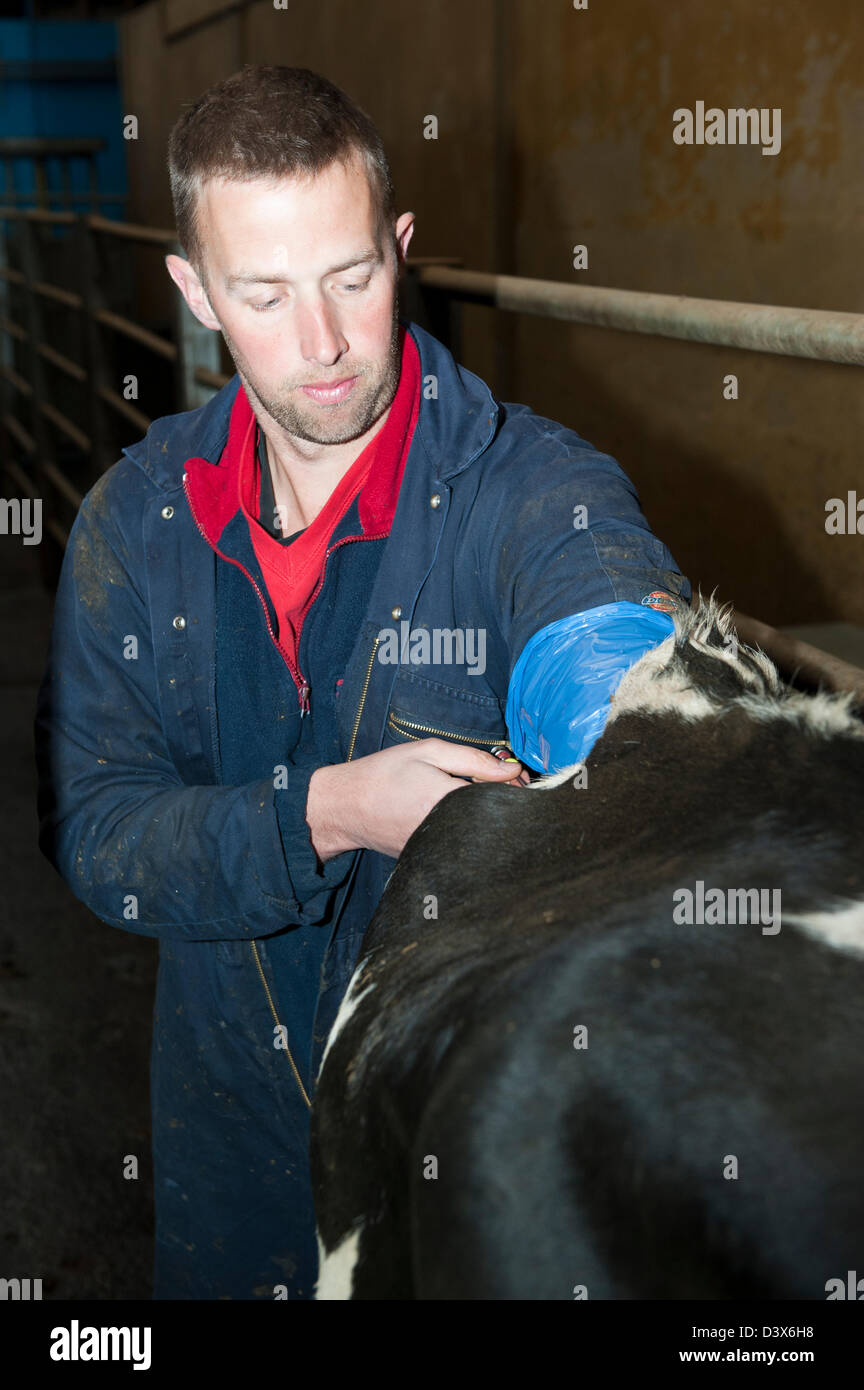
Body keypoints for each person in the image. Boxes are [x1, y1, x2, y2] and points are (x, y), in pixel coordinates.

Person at [35, 65, 691, 1300]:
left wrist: (625, 714)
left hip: (457, 1154)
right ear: (192, 293)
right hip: (227, 1145)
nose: (323, 344)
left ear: (400, 248)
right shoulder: (135, 521)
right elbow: (98, 829)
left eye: (351, 279)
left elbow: (602, 627)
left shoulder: (531, 488)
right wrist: (325, 814)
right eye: (263, 295)